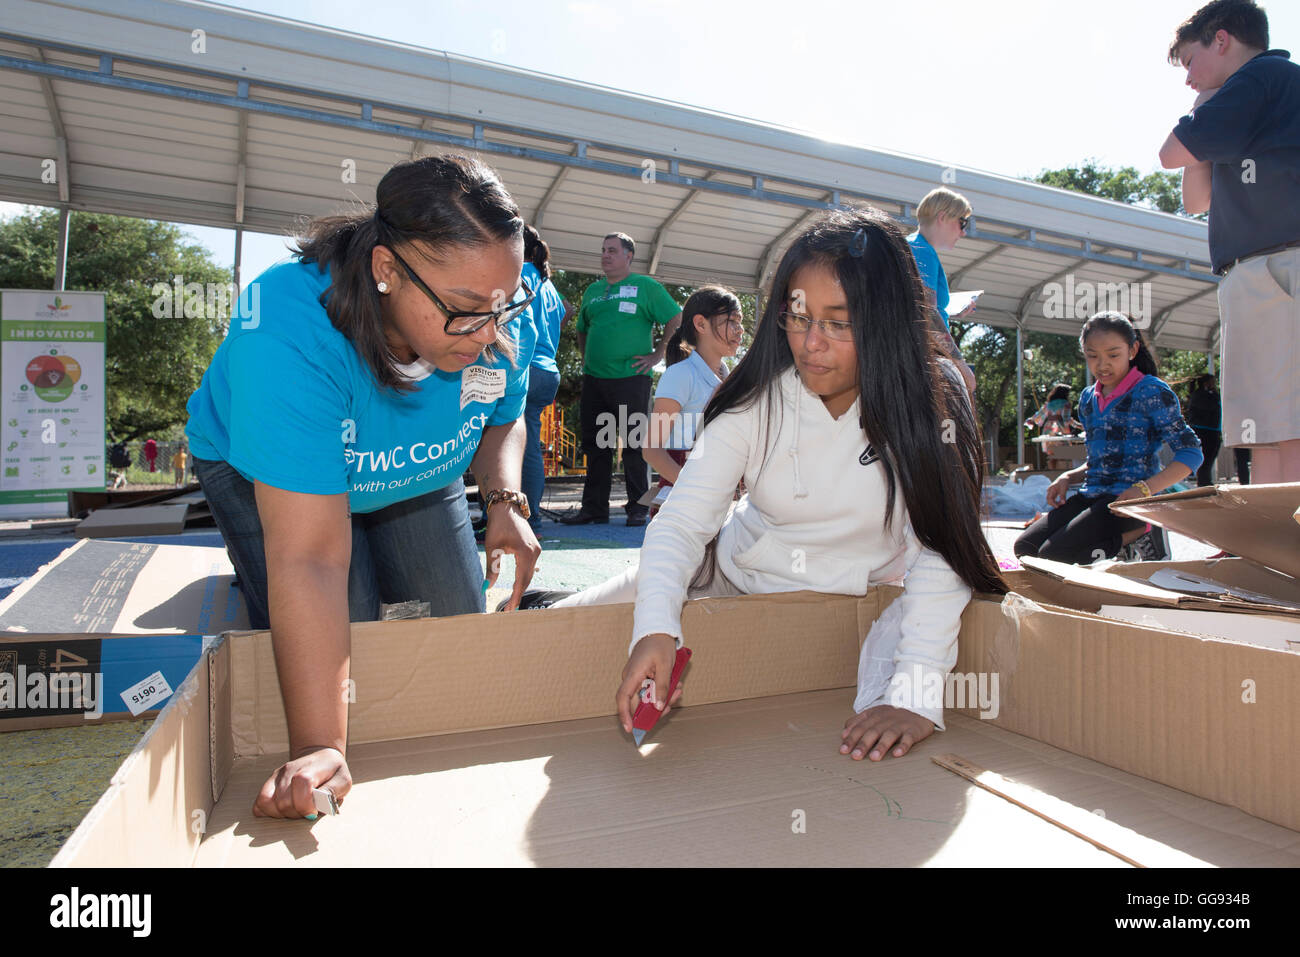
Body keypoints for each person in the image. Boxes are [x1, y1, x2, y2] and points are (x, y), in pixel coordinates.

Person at [553, 207, 1005, 763]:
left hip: (838, 616)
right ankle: (542, 605)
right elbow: (683, 522)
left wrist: (915, 693)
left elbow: (943, 552)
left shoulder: (935, 408)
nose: (812, 343)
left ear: (888, 319)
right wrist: (654, 628)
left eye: (839, 322)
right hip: (723, 574)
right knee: (553, 631)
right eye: (797, 316)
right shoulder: (753, 402)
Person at [184, 154, 542, 820]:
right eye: (465, 313)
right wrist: (321, 745)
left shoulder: (492, 305)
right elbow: (312, 557)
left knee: (453, 645)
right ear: (386, 270)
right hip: (264, 467)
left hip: (413, 468)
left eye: (505, 303)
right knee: (339, 632)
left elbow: (503, 416)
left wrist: (503, 500)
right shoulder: (285, 330)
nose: (492, 332)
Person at [1159, 0, 1300, 484]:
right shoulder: (1251, 100)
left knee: (1284, 426)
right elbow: (1197, 198)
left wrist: (1199, 115)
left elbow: (1169, 153)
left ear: (1222, 39)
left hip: (1278, 266)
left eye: (1190, 60)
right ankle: (1272, 544)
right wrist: (1205, 118)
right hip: (1258, 270)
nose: (1188, 78)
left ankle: (1283, 546)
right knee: (1266, 426)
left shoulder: (1258, 79)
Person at [1014, 313, 1204, 565]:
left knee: (1055, 556)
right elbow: (1101, 460)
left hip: (1128, 501)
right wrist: (1068, 477)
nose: (1102, 365)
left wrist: (1144, 490)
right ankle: (1114, 542)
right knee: (1025, 549)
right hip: (1091, 495)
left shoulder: (1151, 391)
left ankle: (1141, 532)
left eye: (1113, 355)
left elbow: (1191, 453)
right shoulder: (1087, 399)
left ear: (1132, 350)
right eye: (1092, 355)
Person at [562, 233, 682, 528]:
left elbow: (675, 318)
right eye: (603, 250)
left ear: (628, 255)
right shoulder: (593, 291)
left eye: (612, 250)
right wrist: (585, 356)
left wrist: (658, 355)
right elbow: (582, 328)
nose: (605, 255)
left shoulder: (646, 287)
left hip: (632, 378)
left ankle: (638, 509)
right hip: (595, 380)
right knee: (595, 446)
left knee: (635, 444)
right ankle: (594, 509)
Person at [641, 286, 743, 515]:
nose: (740, 330)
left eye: (741, 321)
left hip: (721, 504)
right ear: (701, 324)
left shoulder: (731, 378)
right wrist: (694, 489)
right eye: (732, 321)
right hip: (683, 507)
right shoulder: (680, 375)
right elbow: (651, 449)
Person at [515, 225, 569, 534]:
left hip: (525, 366)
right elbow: (565, 311)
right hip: (548, 369)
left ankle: (498, 513)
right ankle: (531, 517)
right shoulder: (546, 282)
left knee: (499, 441)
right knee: (530, 445)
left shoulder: (517, 272)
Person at [907, 187, 978, 397]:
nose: (963, 232)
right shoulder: (922, 251)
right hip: (925, 361)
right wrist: (960, 364)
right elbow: (925, 312)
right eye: (962, 223)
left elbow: (914, 306)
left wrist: (951, 312)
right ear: (942, 217)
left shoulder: (912, 245)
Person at [1185, 373, 1223, 485]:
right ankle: (1204, 483)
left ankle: (1205, 482)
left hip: (1211, 431)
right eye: (1212, 382)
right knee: (1205, 461)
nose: (1214, 384)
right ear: (1206, 383)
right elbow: (1213, 407)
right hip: (1205, 432)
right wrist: (1215, 393)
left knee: (1208, 461)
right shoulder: (1201, 396)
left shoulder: (1205, 395)